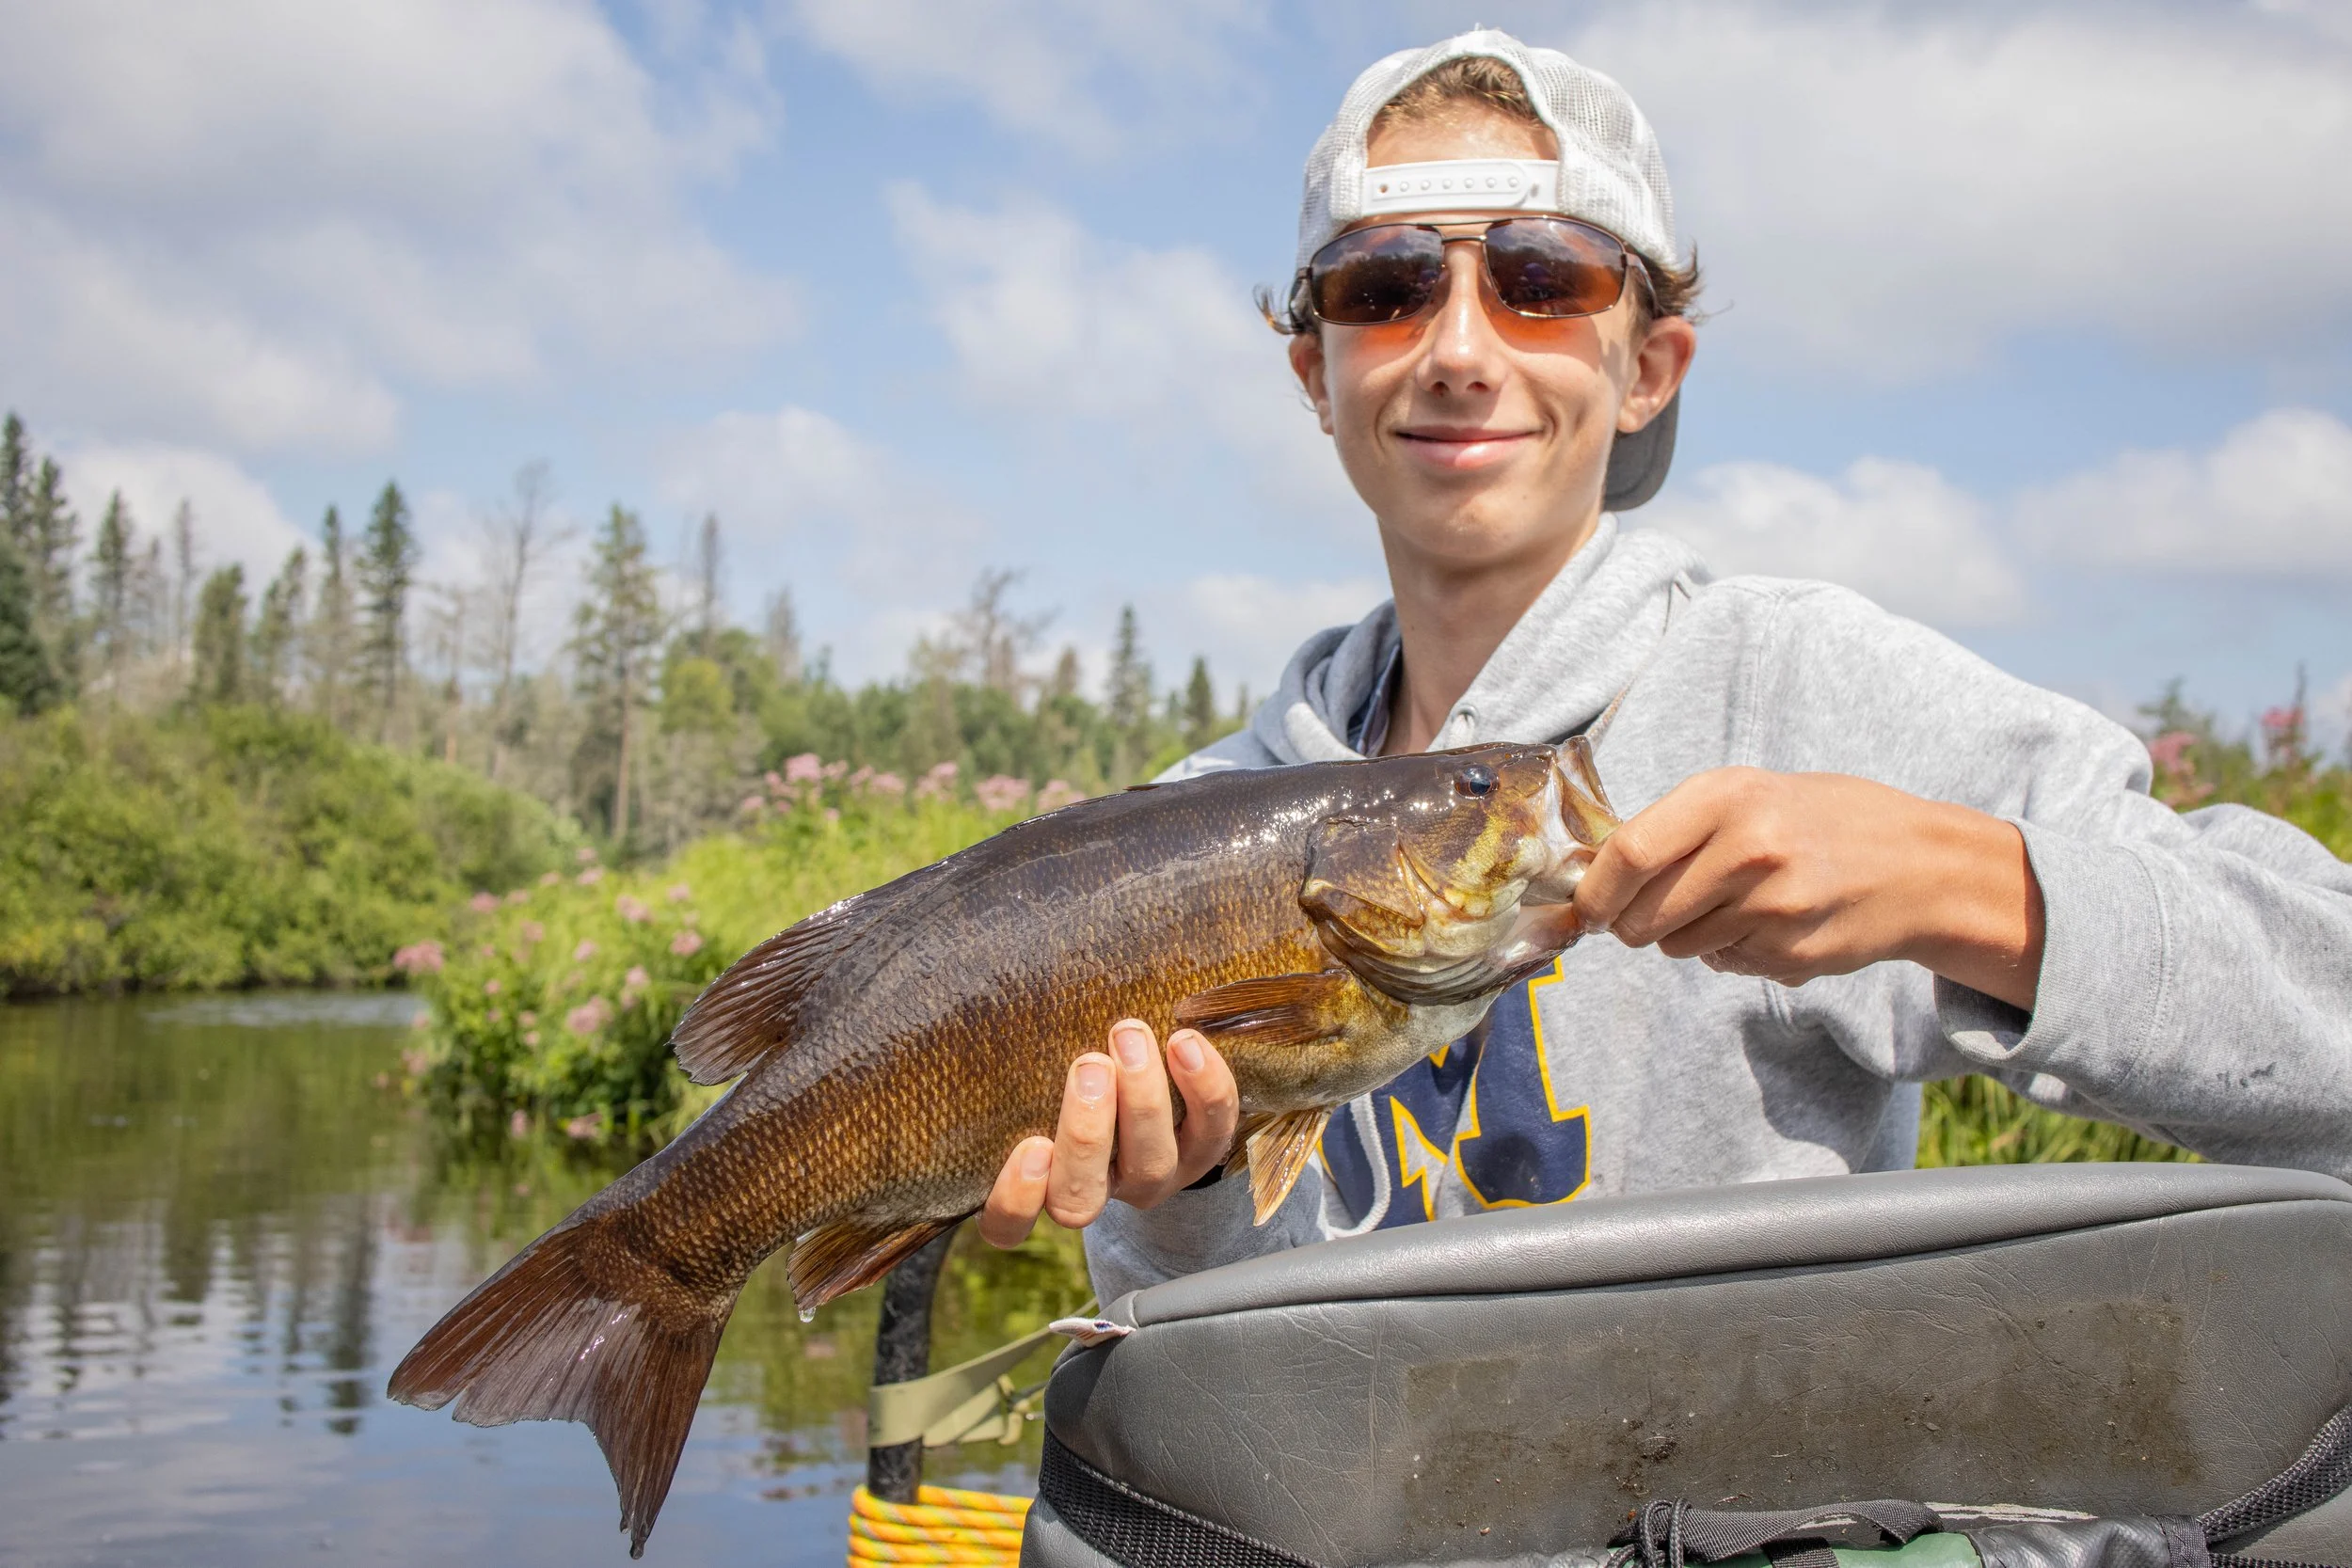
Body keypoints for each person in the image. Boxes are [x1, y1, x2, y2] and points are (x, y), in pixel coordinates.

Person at [974, 29, 2352, 1301]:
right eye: (1387, 285)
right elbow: (1193, 1346)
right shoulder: (1191, 819)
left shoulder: (1804, 690)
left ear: (1650, 367)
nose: (1459, 349)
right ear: (1314, 374)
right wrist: (1192, 1186)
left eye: (1540, 281)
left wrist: (1963, 881)